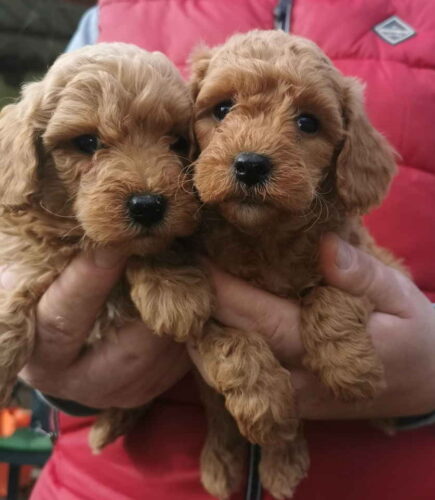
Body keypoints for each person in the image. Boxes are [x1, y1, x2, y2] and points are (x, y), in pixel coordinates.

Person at [8, 0, 435, 498]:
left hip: (382, 476)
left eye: (306, 123)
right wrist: (46, 372)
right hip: (115, 478)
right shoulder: (109, 21)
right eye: (222, 110)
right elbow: (36, 210)